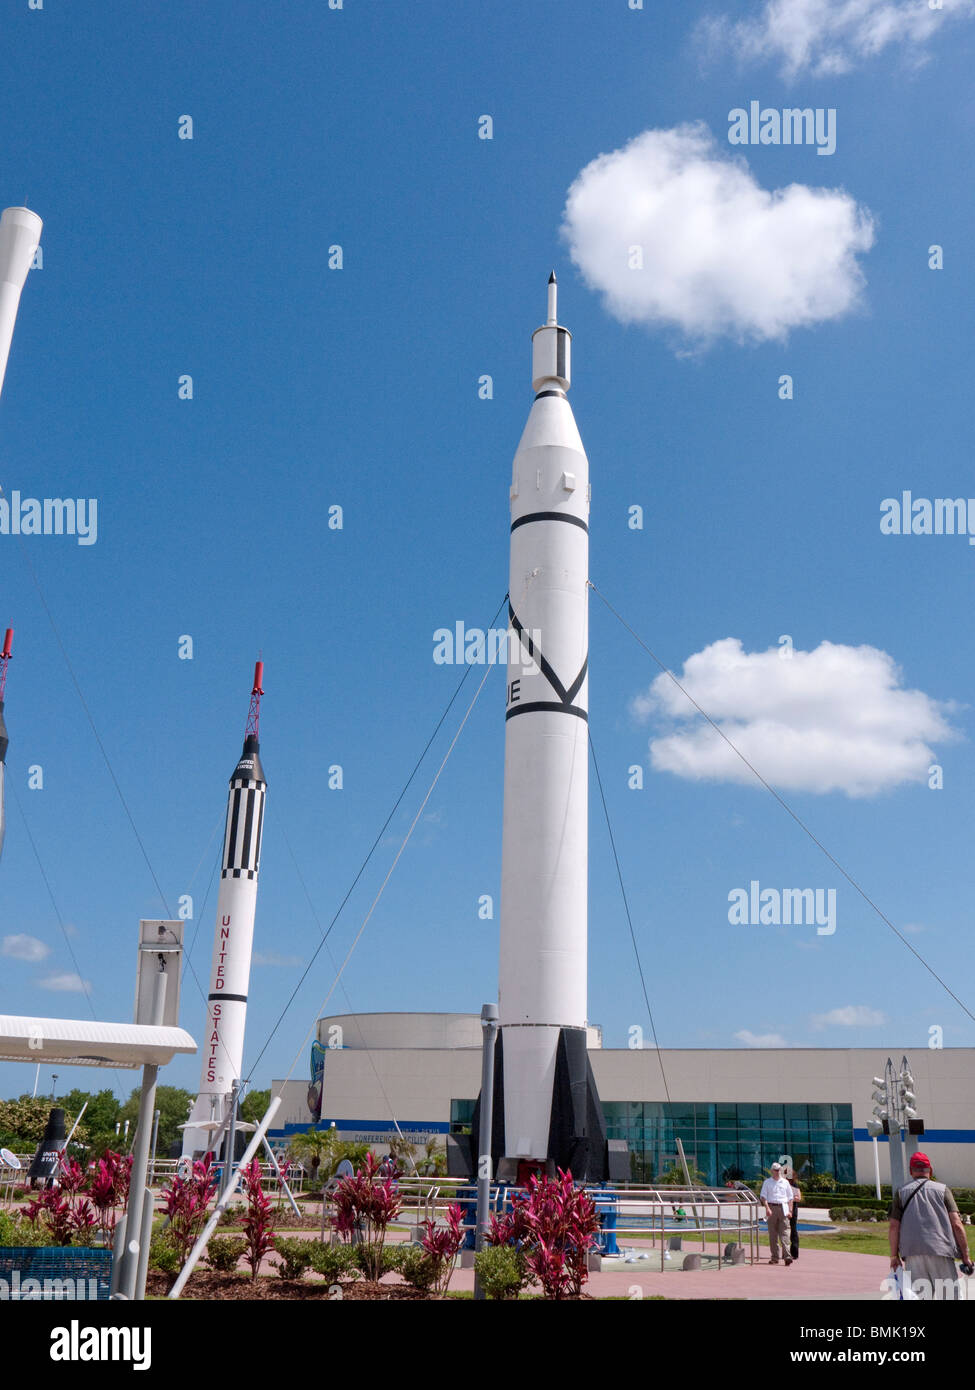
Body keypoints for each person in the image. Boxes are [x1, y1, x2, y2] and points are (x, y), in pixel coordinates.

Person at [889, 1152, 972, 1300]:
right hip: (941, 1252)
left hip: (912, 1254)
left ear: (910, 1170)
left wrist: (894, 1256)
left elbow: (894, 1227)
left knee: (918, 1297)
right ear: (930, 1170)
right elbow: (957, 1224)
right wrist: (966, 1256)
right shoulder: (943, 1190)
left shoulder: (901, 1193)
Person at [759, 1162, 794, 1265]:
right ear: (772, 1171)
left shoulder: (785, 1182)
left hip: (783, 1208)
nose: (778, 1171)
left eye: (779, 1169)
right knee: (773, 1235)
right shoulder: (767, 1182)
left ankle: (787, 1256)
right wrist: (767, 1208)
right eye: (776, 1170)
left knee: (785, 1234)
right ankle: (775, 1257)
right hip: (772, 1208)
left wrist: (790, 1211)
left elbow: (790, 1198)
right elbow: (763, 1197)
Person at [787, 1168, 802, 1261]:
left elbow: (799, 1198)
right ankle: (786, 1252)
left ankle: (794, 1252)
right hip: (784, 1210)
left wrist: (790, 1197)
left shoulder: (794, 1185)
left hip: (793, 1211)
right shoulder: (782, 1184)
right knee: (784, 1232)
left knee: (793, 1230)